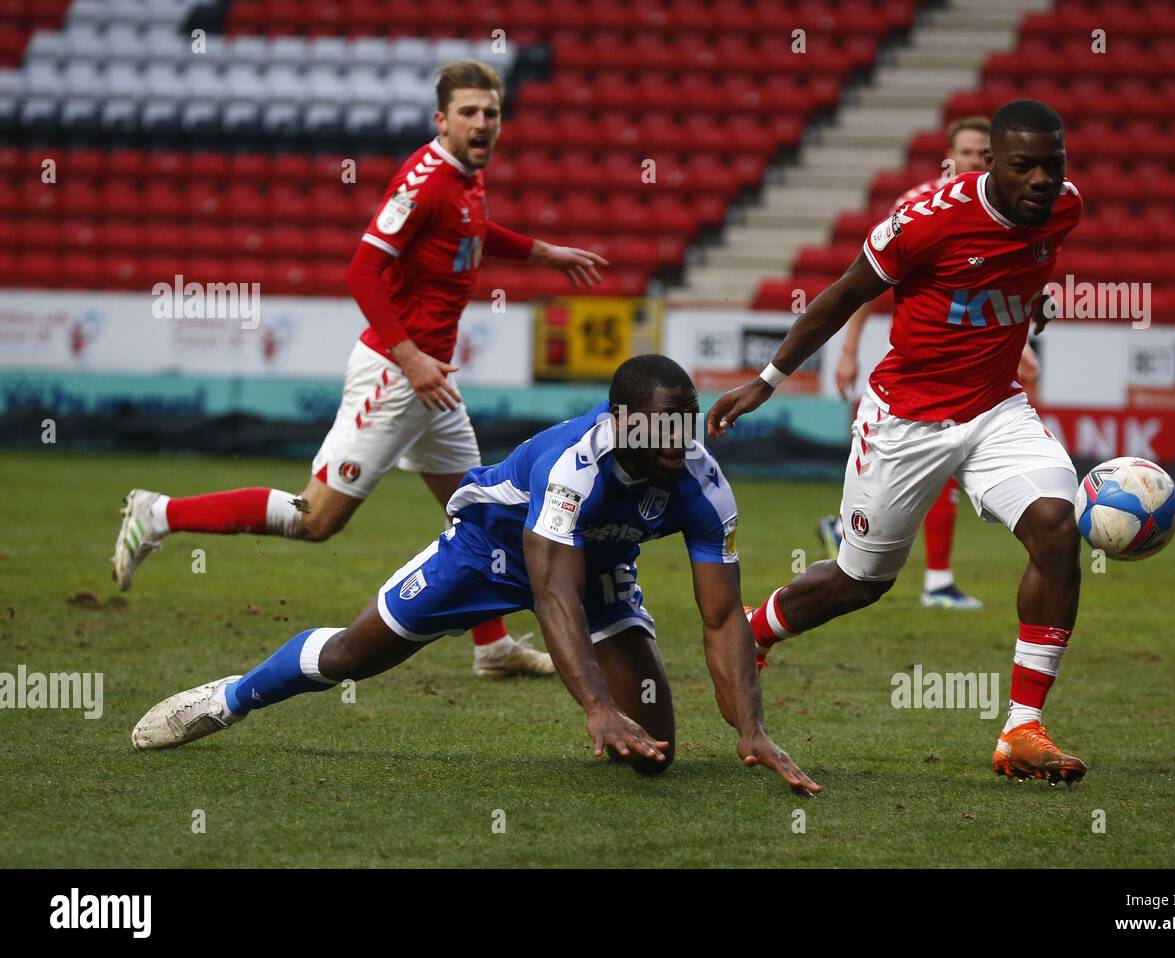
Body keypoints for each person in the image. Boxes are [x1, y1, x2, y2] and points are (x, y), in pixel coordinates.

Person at [111, 60, 608, 679]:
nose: (482, 123)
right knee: (314, 518)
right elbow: (361, 270)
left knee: (474, 505)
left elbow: (470, 230)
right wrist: (411, 358)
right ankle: (157, 513)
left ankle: (492, 646)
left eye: (492, 113)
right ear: (441, 121)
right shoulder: (425, 181)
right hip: (397, 375)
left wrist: (542, 252)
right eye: (469, 113)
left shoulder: (465, 178)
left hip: (430, 379)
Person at [132, 355, 822, 796]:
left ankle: (619, 732)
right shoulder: (572, 466)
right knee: (352, 656)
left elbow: (724, 616)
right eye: (663, 429)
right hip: (489, 552)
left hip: (601, 567)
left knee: (654, 757)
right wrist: (593, 704)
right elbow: (551, 593)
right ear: (621, 424)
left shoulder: (703, 480)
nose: (680, 444)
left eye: (687, 427)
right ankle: (231, 697)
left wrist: (751, 726)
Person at [710, 100, 1087, 784]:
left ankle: (1021, 728)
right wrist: (766, 382)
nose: (1042, 180)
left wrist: (1033, 311)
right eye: (1024, 166)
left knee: (1060, 528)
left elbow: (1023, 271)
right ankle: (756, 628)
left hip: (996, 409)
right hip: (905, 420)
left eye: (1053, 166)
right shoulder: (927, 221)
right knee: (860, 582)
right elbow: (841, 297)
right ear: (991, 164)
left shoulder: (1065, 208)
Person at [818, 116, 1040, 611]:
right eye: (967, 153)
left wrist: (1019, 343)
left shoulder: (1009, 209)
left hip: (968, 365)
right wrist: (850, 350)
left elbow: (1004, 282)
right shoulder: (919, 208)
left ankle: (927, 573)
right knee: (931, 461)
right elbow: (865, 285)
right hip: (921, 360)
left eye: (986, 154)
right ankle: (926, 574)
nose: (976, 162)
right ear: (949, 156)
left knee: (947, 462)